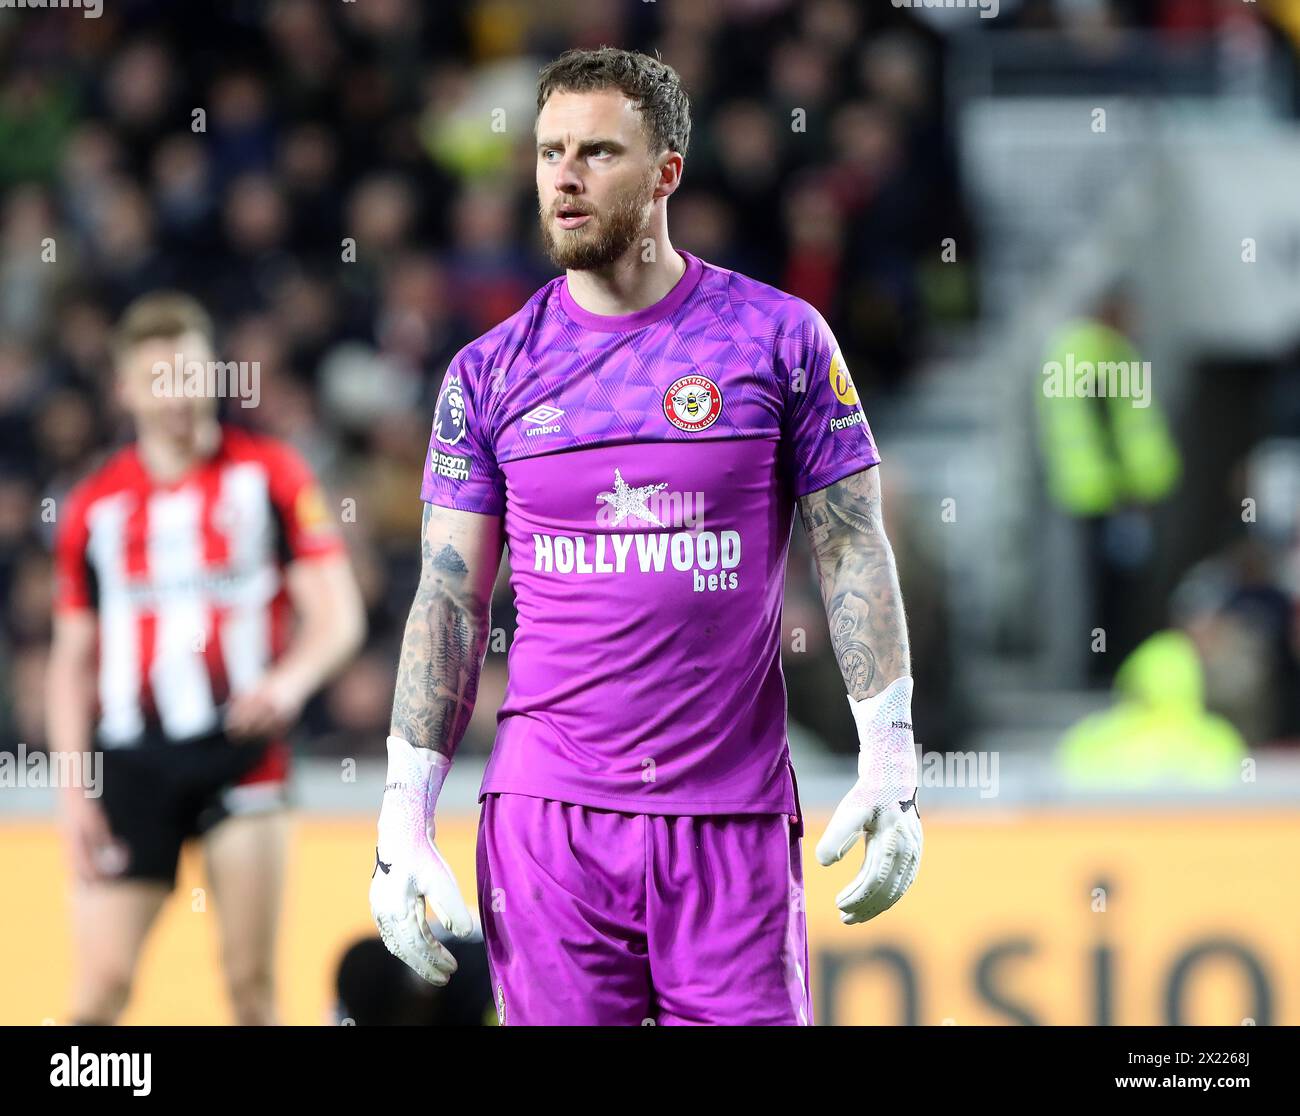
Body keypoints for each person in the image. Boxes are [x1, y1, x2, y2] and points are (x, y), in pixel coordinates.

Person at [369, 47, 920, 1026]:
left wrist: (891, 752)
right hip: (549, 827)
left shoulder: (779, 340)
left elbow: (849, 544)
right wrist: (402, 816)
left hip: (729, 820)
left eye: (596, 152)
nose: (565, 177)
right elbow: (450, 596)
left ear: (666, 171)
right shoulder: (488, 374)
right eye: (548, 154)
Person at [49, 292, 366, 1025]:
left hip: (243, 753)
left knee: (252, 990)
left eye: (189, 375)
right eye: (157, 379)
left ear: (214, 376)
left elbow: (339, 613)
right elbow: (72, 661)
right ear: (125, 390)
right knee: (96, 995)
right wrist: (73, 790)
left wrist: (290, 682)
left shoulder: (272, 476)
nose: (177, 396)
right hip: (130, 760)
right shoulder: (95, 506)